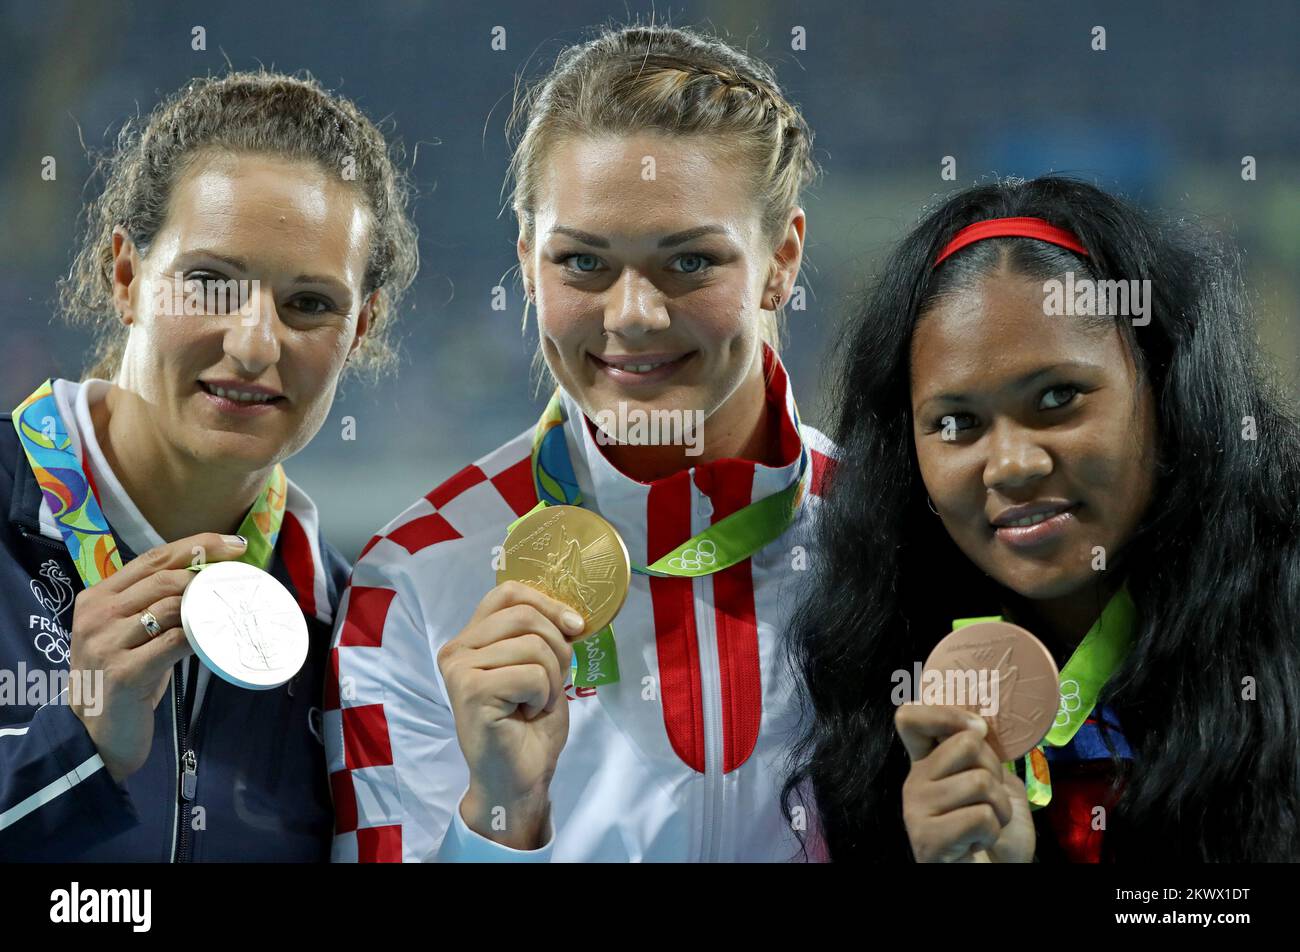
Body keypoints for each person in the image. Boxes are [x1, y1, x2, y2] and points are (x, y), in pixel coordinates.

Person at [326, 23, 834, 861]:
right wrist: (499, 814)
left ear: (781, 258)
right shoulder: (413, 580)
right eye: (583, 264)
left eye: (691, 262)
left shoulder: (896, 533)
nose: (633, 314)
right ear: (528, 266)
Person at [782, 175, 1300, 862]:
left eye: (1059, 397)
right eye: (957, 423)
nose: (1011, 464)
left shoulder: (1281, 638)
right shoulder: (874, 687)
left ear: (1168, 391)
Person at [0, 70, 417, 861]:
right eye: (210, 283)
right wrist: (73, 749)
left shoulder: (352, 636)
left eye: (310, 305)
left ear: (360, 329)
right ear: (125, 275)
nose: (256, 344)